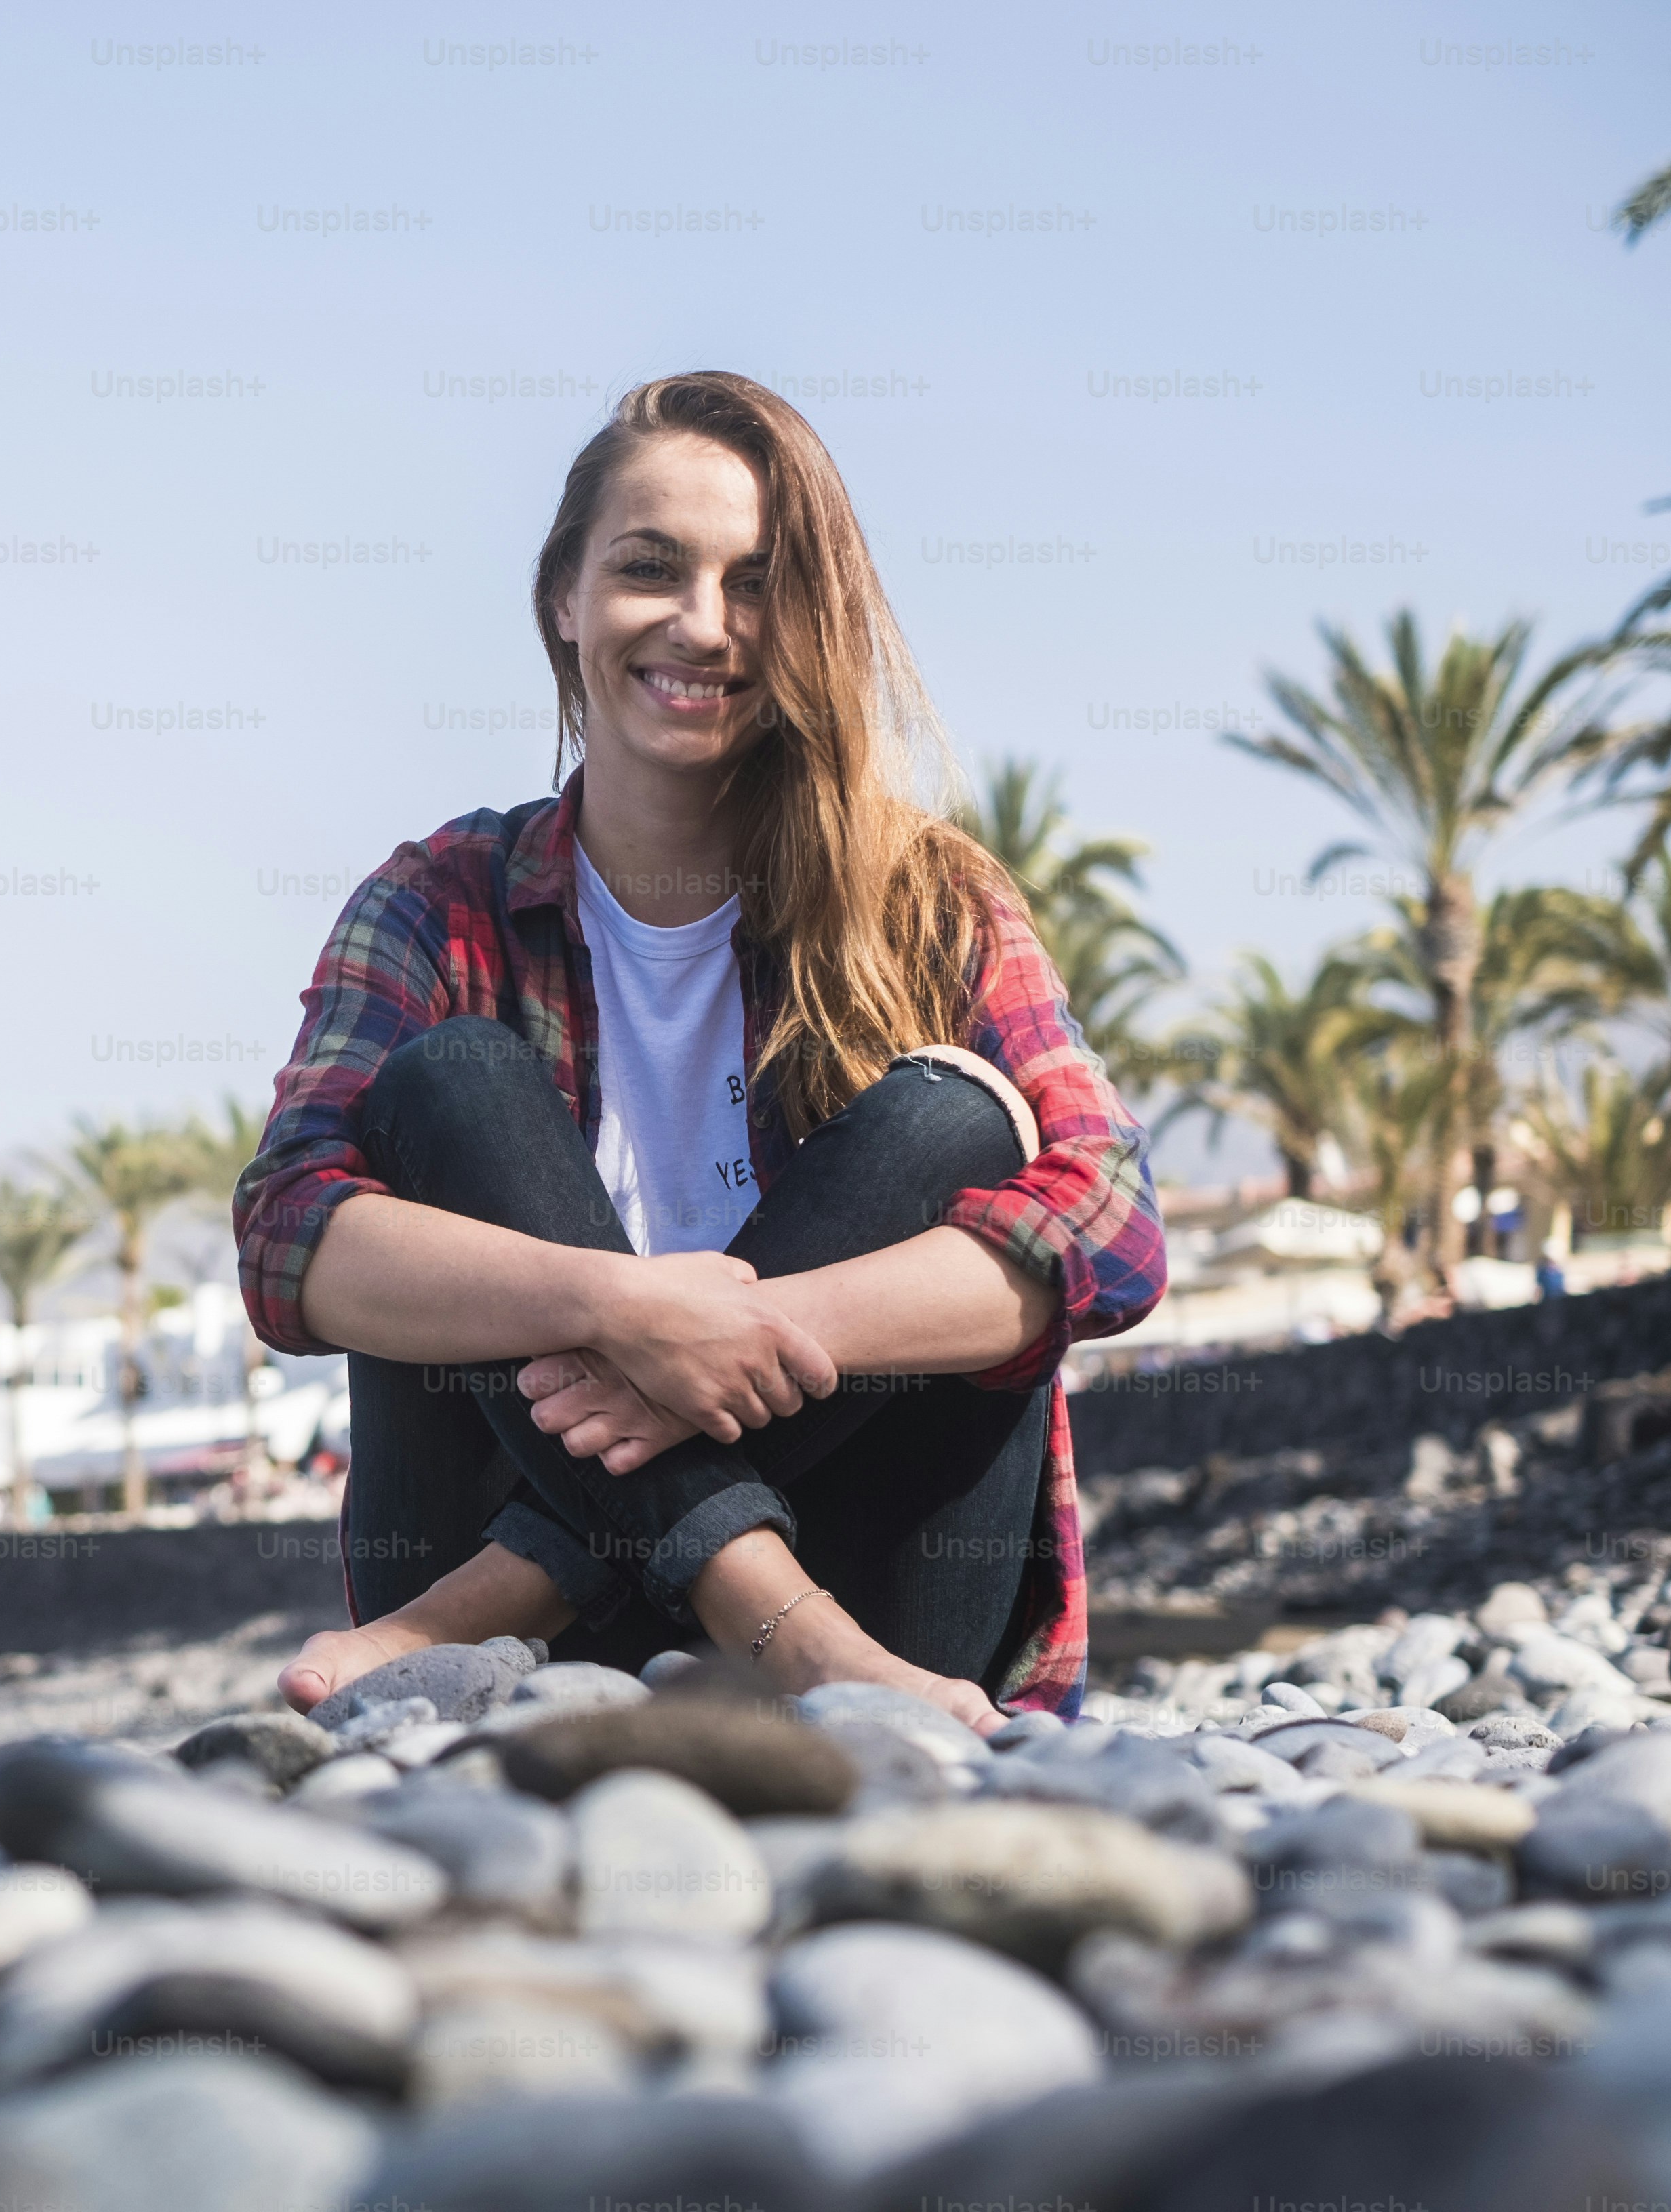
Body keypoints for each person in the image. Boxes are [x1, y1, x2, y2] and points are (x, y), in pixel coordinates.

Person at [233, 372, 1167, 1737]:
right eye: (650, 569)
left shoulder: (927, 899)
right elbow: (285, 1237)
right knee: (448, 1082)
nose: (702, 624)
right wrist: (617, 1311)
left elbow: (1116, 1225)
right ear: (566, 597)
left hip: (873, 1598)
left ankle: (534, 1579)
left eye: (757, 582)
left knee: (954, 1120)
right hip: (608, 1643)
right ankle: (743, 1617)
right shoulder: (437, 903)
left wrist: (744, 1332)